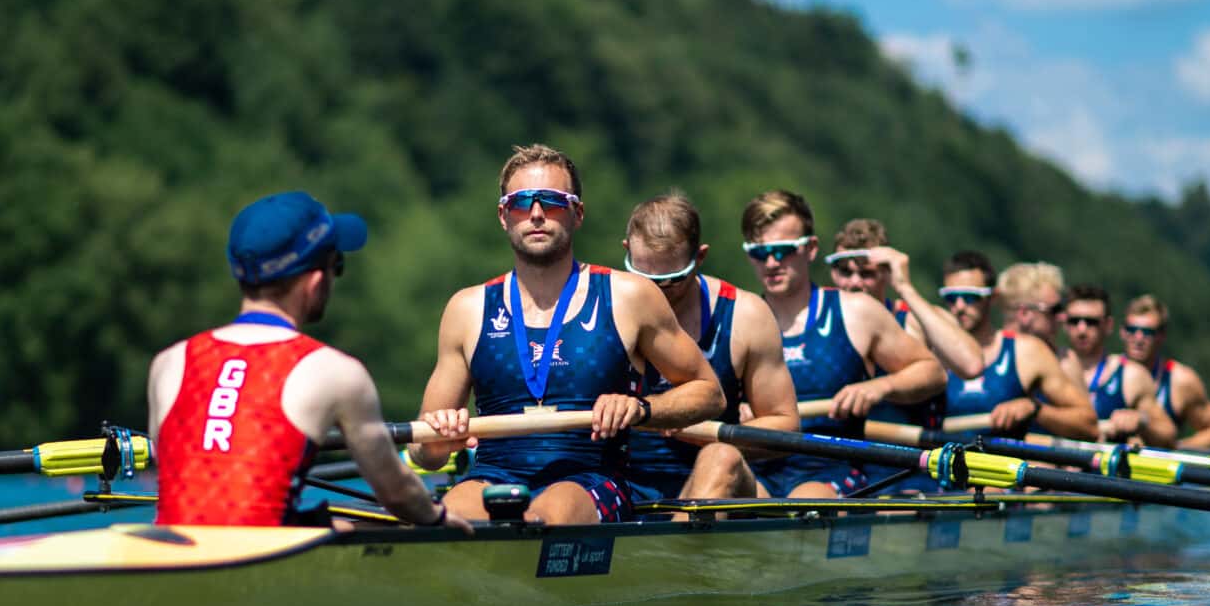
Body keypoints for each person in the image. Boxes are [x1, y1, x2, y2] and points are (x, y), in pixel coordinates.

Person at [410, 145, 724, 525]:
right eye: (522, 202)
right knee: (448, 518)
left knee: (551, 516)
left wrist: (641, 408)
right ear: (503, 216)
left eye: (554, 202)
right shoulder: (467, 309)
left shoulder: (629, 297)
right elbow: (425, 453)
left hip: (592, 480)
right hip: (491, 477)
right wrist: (440, 439)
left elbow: (709, 392)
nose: (537, 214)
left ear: (577, 213)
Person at [147, 191, 471, 531]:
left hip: (172, 557)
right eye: (337, 267)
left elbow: (198, 489)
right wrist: (440, 518)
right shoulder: (335, 371)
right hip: (261, 566)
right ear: (315, 282)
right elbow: (397, 493)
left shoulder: (169, 362)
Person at [740, 189, 945, 498]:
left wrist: (879, 387)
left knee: (803, 501)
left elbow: (932, 372)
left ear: (810, 249)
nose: (770, 263)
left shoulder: (856, 311)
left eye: (782, 250)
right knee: (717, 480)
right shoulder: (740, 319)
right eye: (759, 252)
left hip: (831, 470)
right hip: (759, 469)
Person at [617, 191, 800, 505]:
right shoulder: (601, 306)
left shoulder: (746, 315)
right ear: (627, 252)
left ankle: (678, 547)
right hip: (624, 482)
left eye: (672, 279)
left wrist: (699, 429)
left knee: (720, 458)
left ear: (699, 257)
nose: (656, 290)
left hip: (717, 479)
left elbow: (786, 427)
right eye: (645, 276)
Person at [939, 251, 1098, 440]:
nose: (959, 306)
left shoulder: (1031, 352)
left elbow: (1089, 425)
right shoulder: (932, 348)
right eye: (951, 297)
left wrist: (1034, 408)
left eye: (970, 296)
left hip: (1002, 466)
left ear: (993, 297)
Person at [826, 218, 986, 382]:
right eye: (845, 272)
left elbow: (971, 364)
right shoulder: (820, 321)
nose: (854, 282)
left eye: (866, 274)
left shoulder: (912, 320)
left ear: (886, 272)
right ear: (833, 273)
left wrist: (905, 287)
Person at [1058, 283, 1179, 445]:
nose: (1082, 329)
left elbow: (1168, 434)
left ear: (1108, 326)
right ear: (1064, 323)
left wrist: (1142, 421)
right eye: (1074, 321)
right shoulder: (1048, 363)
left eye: (1091, 322)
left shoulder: (1131, 374)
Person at [1121, 294, 1210, 449]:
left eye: (1147, 332)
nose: (1138, 338)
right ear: (1122, 332)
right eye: (1132, 330)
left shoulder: (1180, 380)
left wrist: (1172, 448)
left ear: (1161, 335)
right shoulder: (1106, 371)